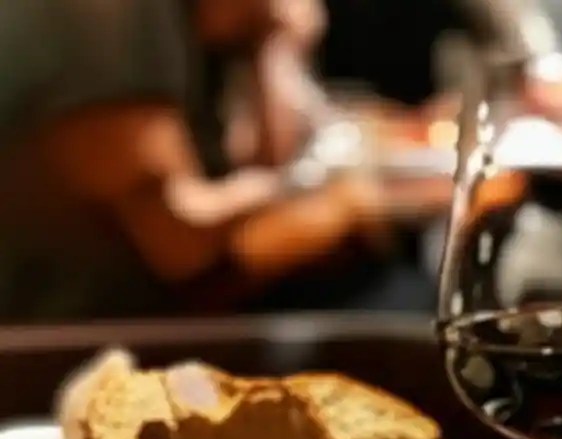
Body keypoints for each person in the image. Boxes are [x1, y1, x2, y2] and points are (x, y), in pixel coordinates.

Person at [0, 0, 449, 321]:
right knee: (412, 307)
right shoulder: (103, 17)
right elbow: (182, 240)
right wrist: (344, 204)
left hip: (159, 311)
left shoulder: (183, 25)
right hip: (74, 342)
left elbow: (270, 159)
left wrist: (271, 44)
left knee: (407, 289)